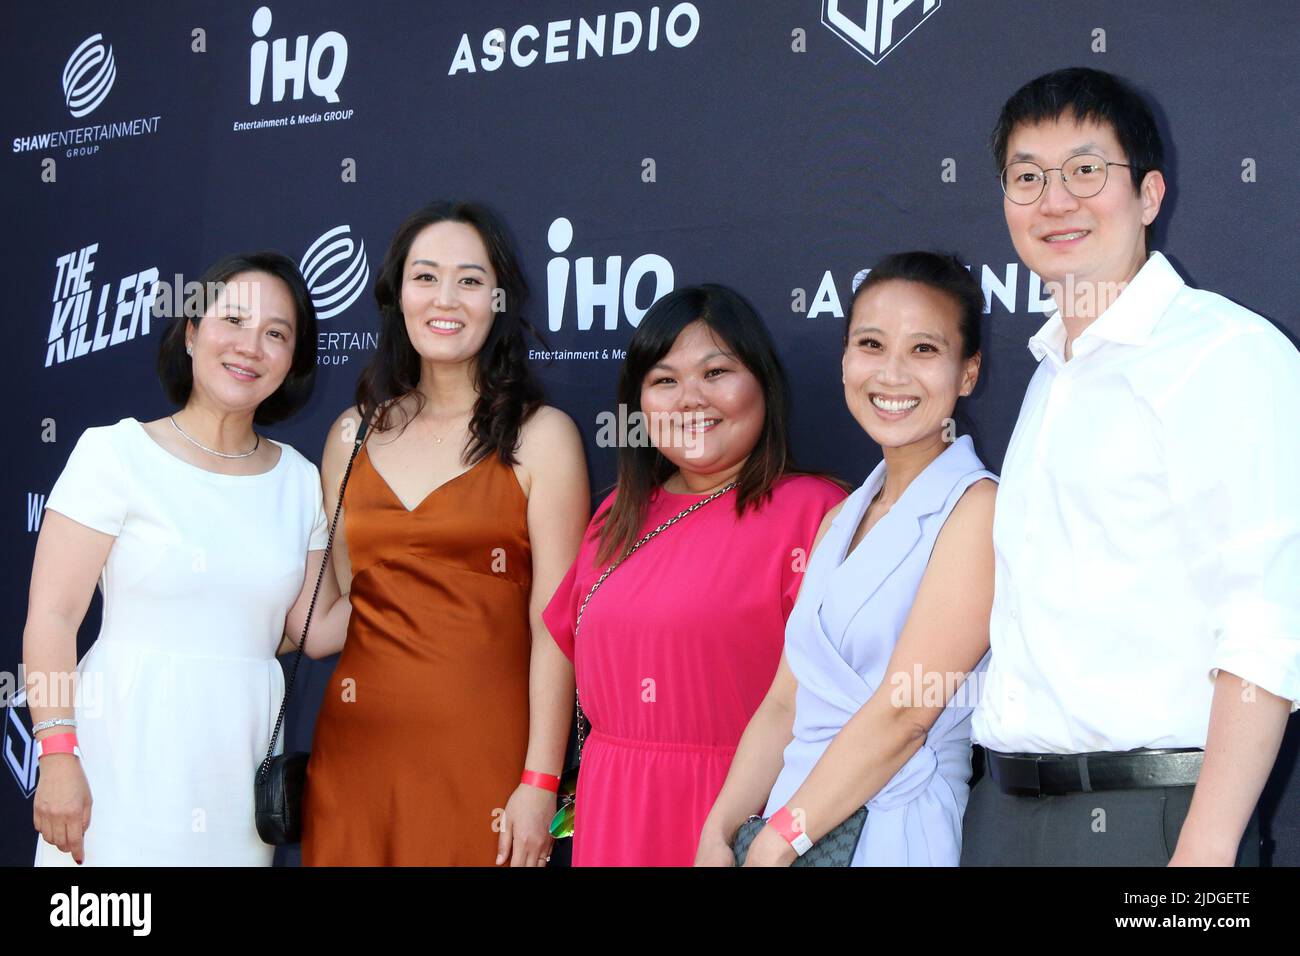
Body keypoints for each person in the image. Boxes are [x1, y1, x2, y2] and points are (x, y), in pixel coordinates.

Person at [963, 67, 1300, 866]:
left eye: (1086, 171)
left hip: (1154, 825)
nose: (1055, 201)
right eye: (1027, 177)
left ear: (1149, 195)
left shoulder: (1225, 355)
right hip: (1002, 817)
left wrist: (1204, 852)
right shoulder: (1052, 372)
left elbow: (1267, 624)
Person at [299, 201, 589, 867]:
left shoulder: (543, 438)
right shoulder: (353, 434)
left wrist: (540, 782)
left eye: (468, 278)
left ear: (499, 297)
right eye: (425, 277)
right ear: (397, 294)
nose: (445, 298)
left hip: (485, 764)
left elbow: (555, 625)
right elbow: (344, 602)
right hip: (354, 760)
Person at [25, 252, 327, 866]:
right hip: (113, 770)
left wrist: (417, 572)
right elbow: (52, 617)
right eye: (233, 321)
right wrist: (57, 753)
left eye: (276, 334)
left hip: (233, 784)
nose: (251, 346)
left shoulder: (300, 481)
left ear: (292, 361)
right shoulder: (114, 454)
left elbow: (308, 628)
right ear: (190, 333)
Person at [696, 253, 997, 867]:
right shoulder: (841, 517)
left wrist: (782, 839)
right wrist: (720, 830)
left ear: (968, 374)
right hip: (792, 827)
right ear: (844, 361)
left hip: (896, 831)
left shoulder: (979, 509)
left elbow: (908, 712)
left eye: (924, 350)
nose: (892, 374)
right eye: (871, 344)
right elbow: (786, 701)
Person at [541, 284, 847, 867]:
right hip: (614, 811)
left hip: (740, 818)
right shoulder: (617, 515)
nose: (690, 399)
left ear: (763, 383)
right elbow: (557, 641)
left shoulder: (815, 512)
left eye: (716, 372)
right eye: (664, 380)